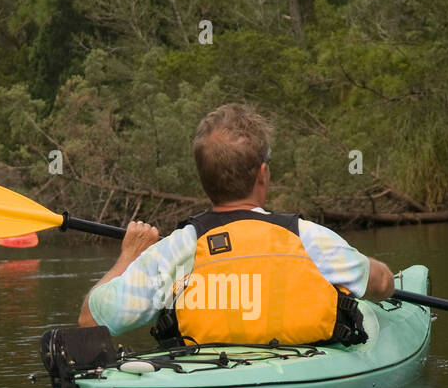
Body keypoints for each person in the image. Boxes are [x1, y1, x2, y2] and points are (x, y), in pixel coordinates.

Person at [79, 103, 395, 346]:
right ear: (263, 174)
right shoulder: (308, 238)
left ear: (203, 180)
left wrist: (129, 256)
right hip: (307, 370)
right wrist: (389, 283)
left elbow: (91, 320)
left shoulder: (176, 250)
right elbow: (380, 282)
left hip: (210, 376)